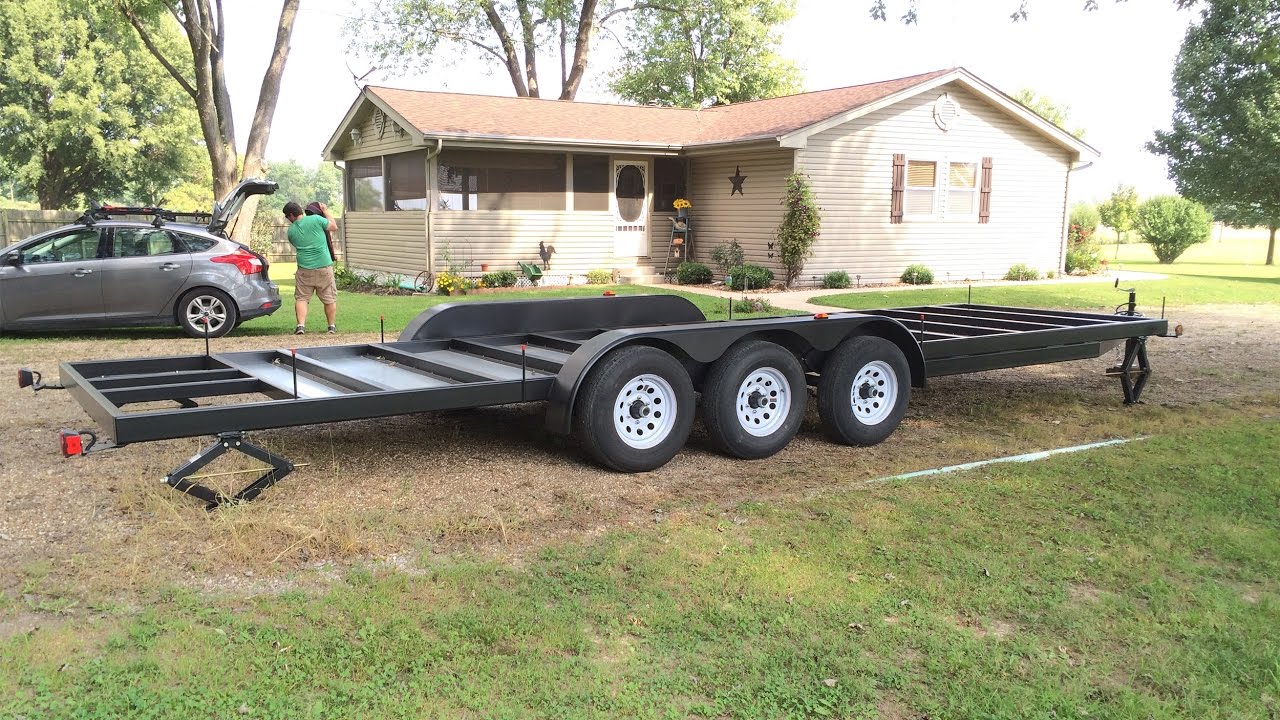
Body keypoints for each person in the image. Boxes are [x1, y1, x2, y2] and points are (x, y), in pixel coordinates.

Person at [283, 200, 338, 334]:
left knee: (302, 298)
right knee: (329, 298)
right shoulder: (316, 219)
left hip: (304, 269)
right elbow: (333, 226)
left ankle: (301, 326)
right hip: (324, 266)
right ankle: (331, 326)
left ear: (291, 215)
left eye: (286, 216)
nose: (287, 219)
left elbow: (296, 244)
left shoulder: (291, 231)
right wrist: (325, 211)